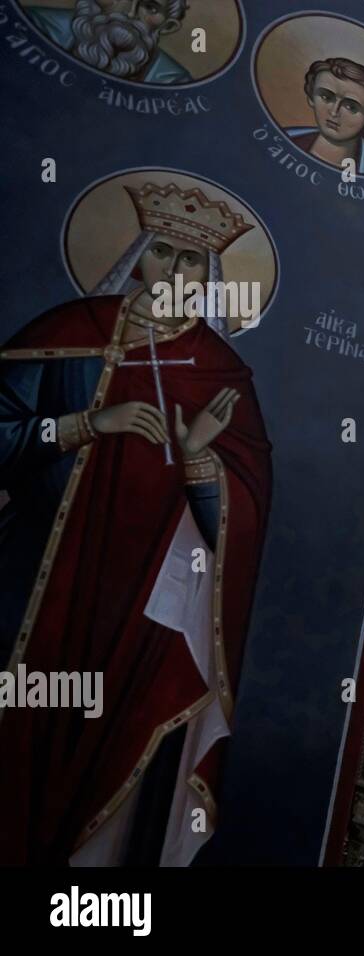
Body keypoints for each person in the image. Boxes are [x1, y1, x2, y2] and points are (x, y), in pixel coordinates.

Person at [0, 181, 272, 866]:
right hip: (39, 585)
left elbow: (245, 513)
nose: (176, 272)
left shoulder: (223, 372)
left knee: (124, 762)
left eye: (192, 261)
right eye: (165, 253)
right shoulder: (69, 336)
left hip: (151, 615)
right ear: (140, 255)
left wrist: (200, 462)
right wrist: (87, 423)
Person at [27, 0, 193, 84]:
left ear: (168, 26)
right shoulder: (35, 25)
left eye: (150, 7)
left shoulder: (172, 81)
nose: (129, 12)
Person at [286, 58, 364, 175]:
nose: (334, 112)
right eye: (326, 97)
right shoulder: (285, 141)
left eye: (350, 107)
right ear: (311, 97)